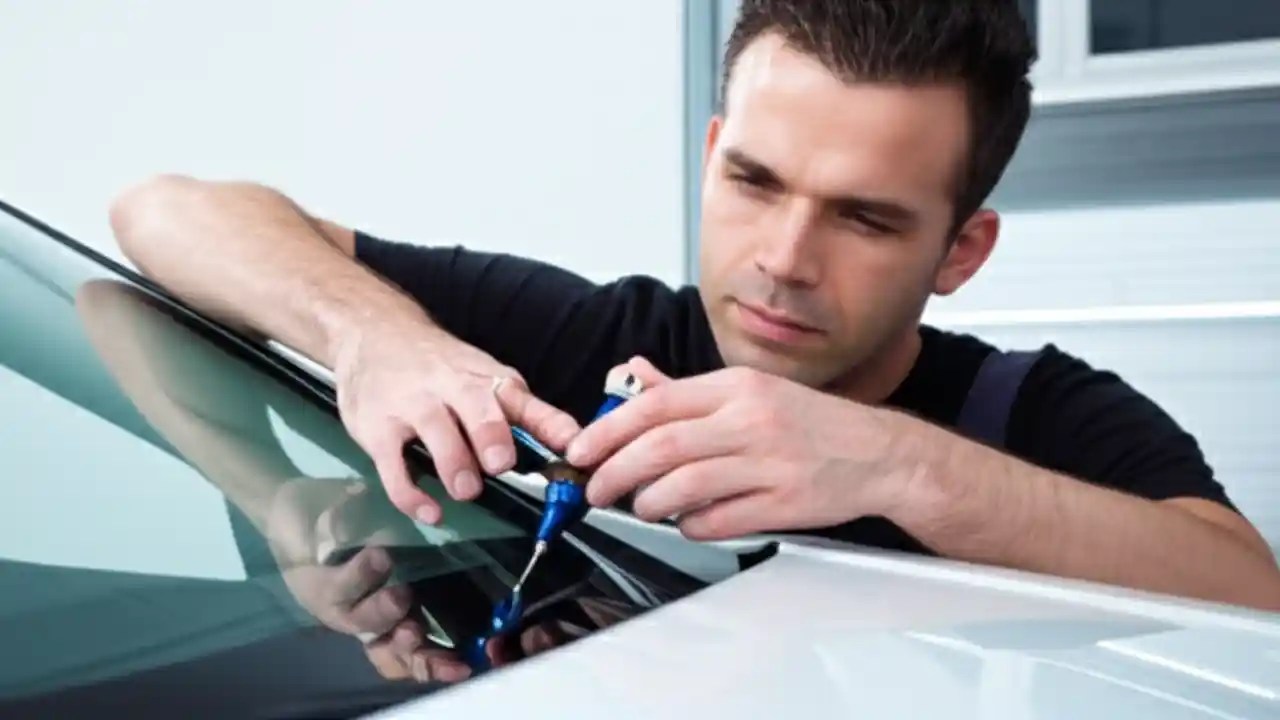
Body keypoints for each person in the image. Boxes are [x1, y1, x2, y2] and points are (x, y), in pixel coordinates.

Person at [110, 0, 1280, 655]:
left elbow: (1250, 595)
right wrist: (367, 355)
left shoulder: (1033, 413)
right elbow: (151, 232)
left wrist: (895, 461)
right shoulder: (592, 330)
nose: (781, 259)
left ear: (958, 252)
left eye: (865, 219)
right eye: (756, 182)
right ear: (710, 153)